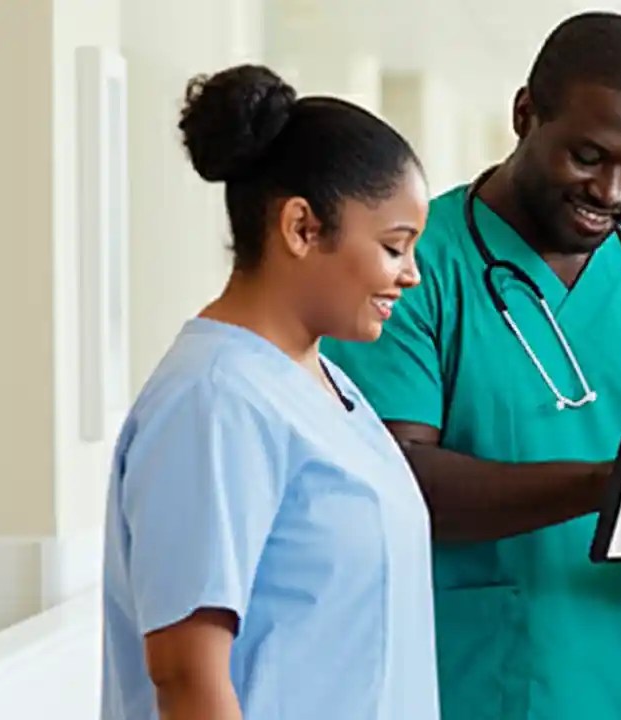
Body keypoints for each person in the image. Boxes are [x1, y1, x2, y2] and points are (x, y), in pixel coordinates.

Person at [320, 11, 621, 720]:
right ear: (525, 113)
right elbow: (393, 481)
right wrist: (608, 483)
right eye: (588, 157)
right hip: (468, 684)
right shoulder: (416, 268)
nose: (611, 192)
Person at [100, 64, 437, 719]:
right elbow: (186, 675)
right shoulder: (214, 399)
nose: (413, 275)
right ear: (302, 227)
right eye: (395, 248)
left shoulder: (324, 383)